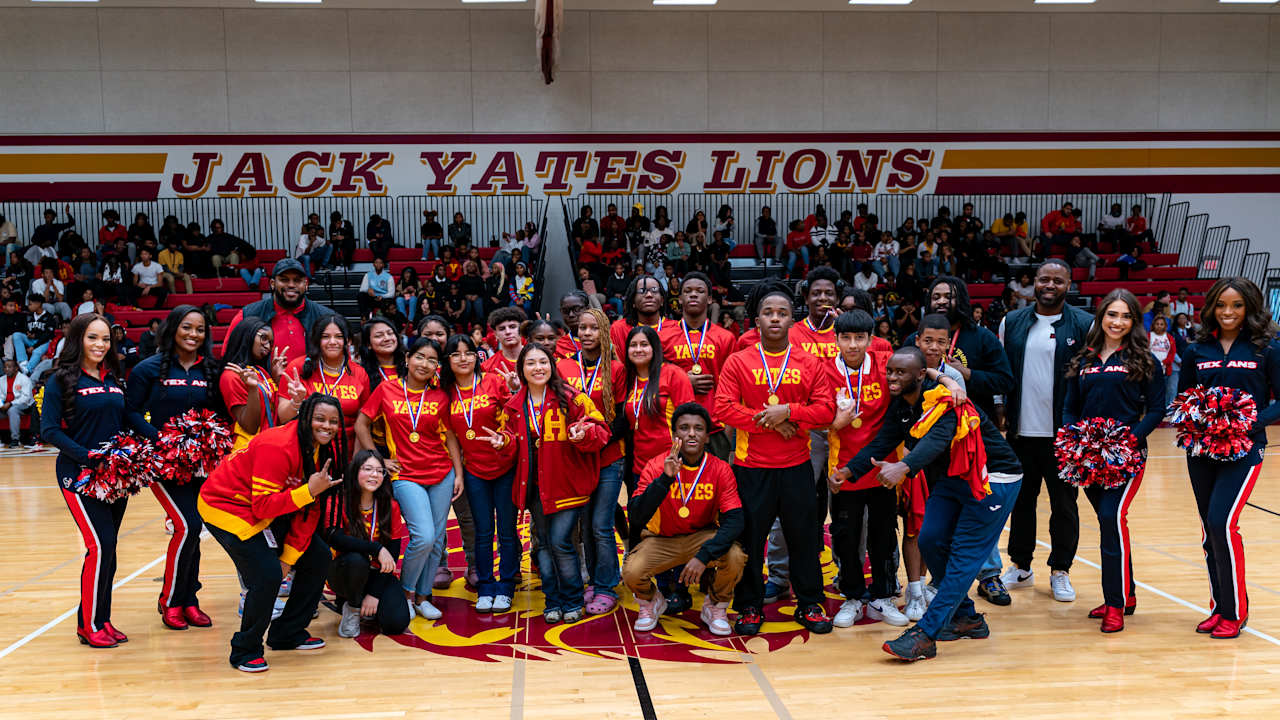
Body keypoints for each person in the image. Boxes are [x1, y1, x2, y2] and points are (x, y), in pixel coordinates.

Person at [837, 347, 1022, 661]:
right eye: (891, 372)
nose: (893, 378)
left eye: (901, 372)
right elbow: (883, 440)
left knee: (963, 557)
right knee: (930, 539)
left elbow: (937, 440)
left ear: (921, 375)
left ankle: (925, 634)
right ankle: (966, 617)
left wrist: (903, 466)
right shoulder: (902, 404)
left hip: (991, 477)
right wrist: (850, 470)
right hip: (953, 477)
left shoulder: (943, 400)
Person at [715, 282, 835, 635]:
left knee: (804, 538)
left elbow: (826, 410)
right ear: (756, 320)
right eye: (768, 313)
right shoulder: (739, 360)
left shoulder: (808, 362)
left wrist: (790, 412)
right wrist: (770, 421)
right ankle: (749, 606)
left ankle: (810, 603)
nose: (775, 319)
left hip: (796, 466)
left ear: (791, 319)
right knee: (751, 540)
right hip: (751, 469)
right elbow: (723, 408)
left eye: (782, 313)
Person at [199, 394, 345, 671]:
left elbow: (310, 509)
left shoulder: (322, 450)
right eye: (320, 419)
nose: (327, 426)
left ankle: (287, 632)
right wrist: (308, 491)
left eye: (333, 422)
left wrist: (288, 558)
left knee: (319, 557)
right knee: (266, 576)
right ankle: (245, 649)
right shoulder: (278, 445)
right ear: (305, 418)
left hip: (269, 507)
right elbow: (264, 506)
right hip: (227, 506)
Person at [1178, 277, 1280, 639]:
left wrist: (1250, 421)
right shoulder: (1196, 349)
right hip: (1202, 450)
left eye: (1236, 305)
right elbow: (1184, 398)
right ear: (1210, 308)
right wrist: (1195, 422)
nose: (1228, 312)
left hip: (1245, 449)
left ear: (1249, 306)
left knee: (1222, 523)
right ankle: (1219, 606)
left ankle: (1236, 612)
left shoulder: (1266, 348)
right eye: (1221, 305)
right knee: (1210, 530)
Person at [42, 313, 149, 648]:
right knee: (99, 546)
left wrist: (158, 438)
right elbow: (48, 430)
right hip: (78, 474)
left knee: (110, 549)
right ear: (78, 340)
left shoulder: (113, 377)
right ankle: (89, 625)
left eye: (106, 339)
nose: (100, 345)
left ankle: (100, 619)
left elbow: (128, 417)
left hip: (113, 476)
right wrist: (86, 455)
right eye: (93, 337)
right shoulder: (59, 379)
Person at [1063, 289, 1166, 633]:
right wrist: (1071, 438)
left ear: (1134, 321)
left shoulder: (1145, 360)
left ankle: (1115, 604)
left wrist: (1128, 441)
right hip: (1088, 457)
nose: (1117, 322)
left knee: (1111, 517)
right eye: (1112, 315)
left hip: (1128, 456)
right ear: (1101, 317)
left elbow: (1156, 410)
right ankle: (1127, 594)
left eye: (1125, 316)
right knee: (1109, 523)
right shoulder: (1085, 359)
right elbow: (1070, 407)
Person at [998, 260, 1094, 603]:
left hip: (1064, 435)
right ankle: (1020, 566)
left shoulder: (1085, 323)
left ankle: (1060, 570)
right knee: (1021, 501)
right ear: (1033, 283)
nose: (1049, 284)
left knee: (1064, 504)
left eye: (1057, 280)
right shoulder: (1012, 322)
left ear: (1068, 284)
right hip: (1022, 431)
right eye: (1044, 279)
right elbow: (1003, 372)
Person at [126, 306, 222, 631]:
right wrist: (160, 439)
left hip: (200, 462)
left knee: (195, 529)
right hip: (163, 461)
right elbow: (132, 413)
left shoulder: (210, 370)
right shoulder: (147, 369)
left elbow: (219, 415)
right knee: (187, 526)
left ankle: (189, 600)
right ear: (173, 329)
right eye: (187, 327)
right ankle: (170, 601)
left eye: (199, 329)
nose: (193, 334)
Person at [355, 338, 463, 621]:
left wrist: (458, 473)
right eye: (420, 357)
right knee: (424, 536)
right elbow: (361, 423)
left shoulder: (440, 395)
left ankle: (424, 597)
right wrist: (377, 460)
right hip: (405, 475)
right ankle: (405, 591)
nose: (425, 364)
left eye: (432, 360)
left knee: (437, 540)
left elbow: (450, 436)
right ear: (407, 358)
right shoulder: (387, 389)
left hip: (441, 472)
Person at [502, 343, 611, 624]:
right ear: (521, 370)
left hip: (566, 484)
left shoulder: (573, 398)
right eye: (531, 363)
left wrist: (581, 435)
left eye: (543, 362)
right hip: (534, 486)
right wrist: (503, 442)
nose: (538, 368)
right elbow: (510, 443)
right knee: (542, 545)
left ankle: (573, 599)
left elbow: (601, 432)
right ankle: (552, 600)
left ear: (552, 366)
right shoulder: (514, 406)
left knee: (560, 542)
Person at [823, 310, 912, 628]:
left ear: (871, 340)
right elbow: (816, 417)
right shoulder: (824, 371)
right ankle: (852, 596)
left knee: (884, 535)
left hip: (883, 469)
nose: (852, 345)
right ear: (835, 340)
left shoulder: (887, 363)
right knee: (845, 537)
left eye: (859, 338)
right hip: (842, 469)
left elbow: (919, 365)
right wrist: (834, 422)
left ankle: (883, 596)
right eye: (845, 338)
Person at [626, 403, 746, 635]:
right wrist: (664, 480)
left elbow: (735, 522)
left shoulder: (720, 469)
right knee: (632, 571)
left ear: (707, 437)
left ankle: (715, 606)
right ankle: (651, 601)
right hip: (662, 539)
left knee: (735, 556)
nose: (691, 433)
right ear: (674, 436)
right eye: (684, 428)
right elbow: (636, 515)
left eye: (698, 428)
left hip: (701, 537)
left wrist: (704, 556)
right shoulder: (656, 465)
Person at [440, 334, 518, 613]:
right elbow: (450, 437)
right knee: (483, 532)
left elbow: (515, 415)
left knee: (507, 532)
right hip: (474, 472)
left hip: (505, 466)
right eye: (456, 354)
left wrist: (515, 389)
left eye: (468, 352)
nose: (463, 358)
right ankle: (486, 585)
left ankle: (507, 586)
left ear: (477, 357)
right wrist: (459, 475)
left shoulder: (494, 381)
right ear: (447, 361)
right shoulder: (445, 392)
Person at [557, 308, 626, 614]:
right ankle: (595, 583)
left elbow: (623, 417)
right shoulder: (565, 368)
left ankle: (607, 586)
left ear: (603, 331)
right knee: (585, 525)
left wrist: (596, 438)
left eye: (592, 328)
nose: (586, 333)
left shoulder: (617, 368)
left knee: (601, 525)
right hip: (577, 458)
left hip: (609, 455)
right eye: (581, 328)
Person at [323, 449, 411, 638]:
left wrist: (375, 594)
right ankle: (353, 606)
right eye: (368, 469)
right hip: (344, 570)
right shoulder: (339, 500)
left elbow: (393, 550)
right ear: (355, 472)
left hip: (377, 572)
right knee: (357, 559)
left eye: (380, 471)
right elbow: (335, 538)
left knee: (396, 624)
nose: (374, 475)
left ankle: (364, 598)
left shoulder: (390, 505)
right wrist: (376, 548)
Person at [659, 273, 737, 461]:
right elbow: (654, 381)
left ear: (709, 299)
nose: (693, 295)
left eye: (700, 291)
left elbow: (732, 389)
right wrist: (682, 381)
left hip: (714, 427)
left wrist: (727, 431)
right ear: (680, 298)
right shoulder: (663, 337)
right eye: (688, 291)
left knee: (713, 486)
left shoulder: (725, 338)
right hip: (674, 426)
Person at [223, 259, 337, 365]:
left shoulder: (327, 318)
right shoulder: (247, 315)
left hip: (313, 386)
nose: (291, 285)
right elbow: (229, 359)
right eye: (284, 280)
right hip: (262, 386)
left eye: (297, 280)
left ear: (306, 284)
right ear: (272, 284)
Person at [287, 314, 370, 448]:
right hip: (305, 450)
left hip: (345, 453)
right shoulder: (298, 368)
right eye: (325, 337)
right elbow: (282, 417)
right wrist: (296, 402)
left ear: (348, 341)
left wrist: (356, 461)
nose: (332, 342)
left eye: (339, 336)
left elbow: (362, 423)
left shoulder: (360, 373)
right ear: (317, 340)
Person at [219, 318, 297, 451]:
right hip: (247, 450)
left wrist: (277, 378)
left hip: (268, 444)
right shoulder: (231, 376)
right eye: (264, 338)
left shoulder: (261, 372)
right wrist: (253, 389)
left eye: (271, 343)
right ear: (247, 335)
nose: (268, 346)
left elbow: (274, 411)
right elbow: (250, 426)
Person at [610, 274, 666, 362]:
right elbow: (619, 368)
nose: (649, 295)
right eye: (642, 291)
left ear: (662, 300)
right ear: (633, 301)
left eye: (654, 290)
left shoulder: (676, 328)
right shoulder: (619, 329)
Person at [12, 294, 56, 377]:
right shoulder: (29, 316)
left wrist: (34, 345)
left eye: (30, 304)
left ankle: (27, 369)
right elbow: (24, 328)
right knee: (16, 335)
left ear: (38, 304)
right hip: (31, 340)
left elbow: (47, 335)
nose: (28, 306)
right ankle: (22, 362)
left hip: (44, 342)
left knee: (36, 352)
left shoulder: (50, 317)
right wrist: (28, 333)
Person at [360, 316, 404, 392]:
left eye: (390, 333)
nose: (387, 338)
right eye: (379, 336)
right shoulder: (361, 373)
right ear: (368, 344)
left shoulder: (410, 367)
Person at [0, 358, 34, 447]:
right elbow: (0, 396)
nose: (6, 369)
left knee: (13, 410)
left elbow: (26, 398)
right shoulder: (1, 380)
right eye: (5, 367)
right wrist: (1, 404)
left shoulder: (24, 379)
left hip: (24, 406)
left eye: (9, 367)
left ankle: (15, 439)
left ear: (16, 368)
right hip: (5, 405)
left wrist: (11, 403)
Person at [483, 306, 527, 374]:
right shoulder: (487, 367)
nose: (508, 332)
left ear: (521, 329)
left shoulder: (539, 359)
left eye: (512, 327)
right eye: (502, 329)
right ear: (495, 334)